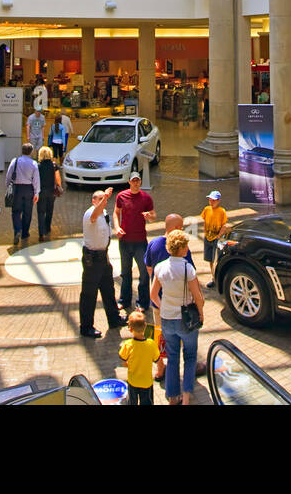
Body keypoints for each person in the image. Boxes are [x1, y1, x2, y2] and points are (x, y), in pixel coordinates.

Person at [150, 229, 204, 405]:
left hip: (167, 319)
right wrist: (201, 314)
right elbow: (197, 297)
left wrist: (163, 306)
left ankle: (173, 397)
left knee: (172, 358)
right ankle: (187, 397)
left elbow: (153, 295)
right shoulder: (188, 269)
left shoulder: (160, 268)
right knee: (190, 357)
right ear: (182, 249)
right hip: (186, 320)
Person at [79, 187, 124, 339]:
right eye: (99, 199)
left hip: (103, 257)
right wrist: (105, 198)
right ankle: (86, 327)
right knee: (89, 294)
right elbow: (94, 215)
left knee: (108, 290)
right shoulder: (90, 214)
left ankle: (114, 318)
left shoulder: (104, 213)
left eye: (103, 199)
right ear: (93, 201)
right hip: (92, 259)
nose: (103, 201)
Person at [114, 172, 156, 312]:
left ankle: (143, 302)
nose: (136, 183)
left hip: (140, 241)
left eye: (138, 181)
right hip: (125, 241)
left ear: (140, 182)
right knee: (125, 272)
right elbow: (116, 212)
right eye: (134, 181)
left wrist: (149, 217)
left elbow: (153, 215)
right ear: (129, 182)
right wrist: (117, 227)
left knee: (144, 273)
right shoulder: (121, 196)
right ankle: (124, 300)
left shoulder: (146, 198)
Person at [118, 309, 160, 406]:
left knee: (132, 401)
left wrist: (129, 366)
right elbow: (157, 360)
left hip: (133, 380)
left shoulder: (128, 345)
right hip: (147, 381)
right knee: (147, 401)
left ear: (130, 329)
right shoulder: (151, 344)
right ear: (145, 326)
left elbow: (123, 362)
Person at [6, 143, 40, 248]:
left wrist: (8, 187)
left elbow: (8, 176)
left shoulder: (14, 161)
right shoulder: (34, 164)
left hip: (17, 189)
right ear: (31, 152)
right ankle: (25, 233)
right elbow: (36, 180)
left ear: (22, 151)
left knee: (16, 211)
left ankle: (17, 229)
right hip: (29, 189)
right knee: (27, 212)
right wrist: (36, 192)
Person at [145, 213, 195, 284]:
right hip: (177, 290)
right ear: (177, 228)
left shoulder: (153, 243)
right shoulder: (182, 246)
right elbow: (191, 272)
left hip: (158, 290)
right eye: (181, 228)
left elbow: (149, 267)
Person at [199, 191, 228, 291]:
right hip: (208, 237)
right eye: (210, 200)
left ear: (218, 201)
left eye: (213, 200)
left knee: (216, 259)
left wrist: (218, 237)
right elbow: (204, 220)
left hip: (216, 239)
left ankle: (217, 278)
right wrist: (205, 233)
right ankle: (213, 278)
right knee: (210, 260)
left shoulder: (221, 211)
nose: (211, 202)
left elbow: (224, 226)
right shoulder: (206, 209)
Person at [35, 145, 61, 242]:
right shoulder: (54, 165)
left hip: (41, 192)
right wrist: (59, 186)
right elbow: (58, 179)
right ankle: (47, 228)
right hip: (51, 192)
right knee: (49, 211)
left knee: (41, 212)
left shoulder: (38, 166)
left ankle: (41, 233)